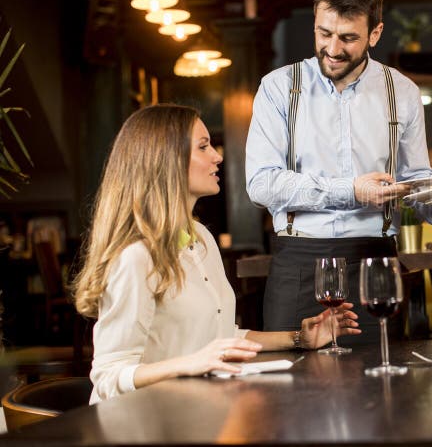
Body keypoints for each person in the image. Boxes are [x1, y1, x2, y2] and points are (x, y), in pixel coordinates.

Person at [73, 105, 361, 403]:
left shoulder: (202, 238)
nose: (217, 156)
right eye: (203, 146)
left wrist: (299, 339)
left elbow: (221, 336)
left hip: (192, 410)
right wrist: (190, 363)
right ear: (166, 160)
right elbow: (108, 376)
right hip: (139, 423)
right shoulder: (135, 256)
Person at [245, 0, 432, 341]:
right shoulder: (278, 88)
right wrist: (351, 190)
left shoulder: (403, 92)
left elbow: (415, 183)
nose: (333, 49)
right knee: (292, 393)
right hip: (299, 265)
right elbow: (261, 184)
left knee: (383, 388)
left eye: (348, 38)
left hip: (376, 262)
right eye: (324, 33)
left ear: (375, 33)